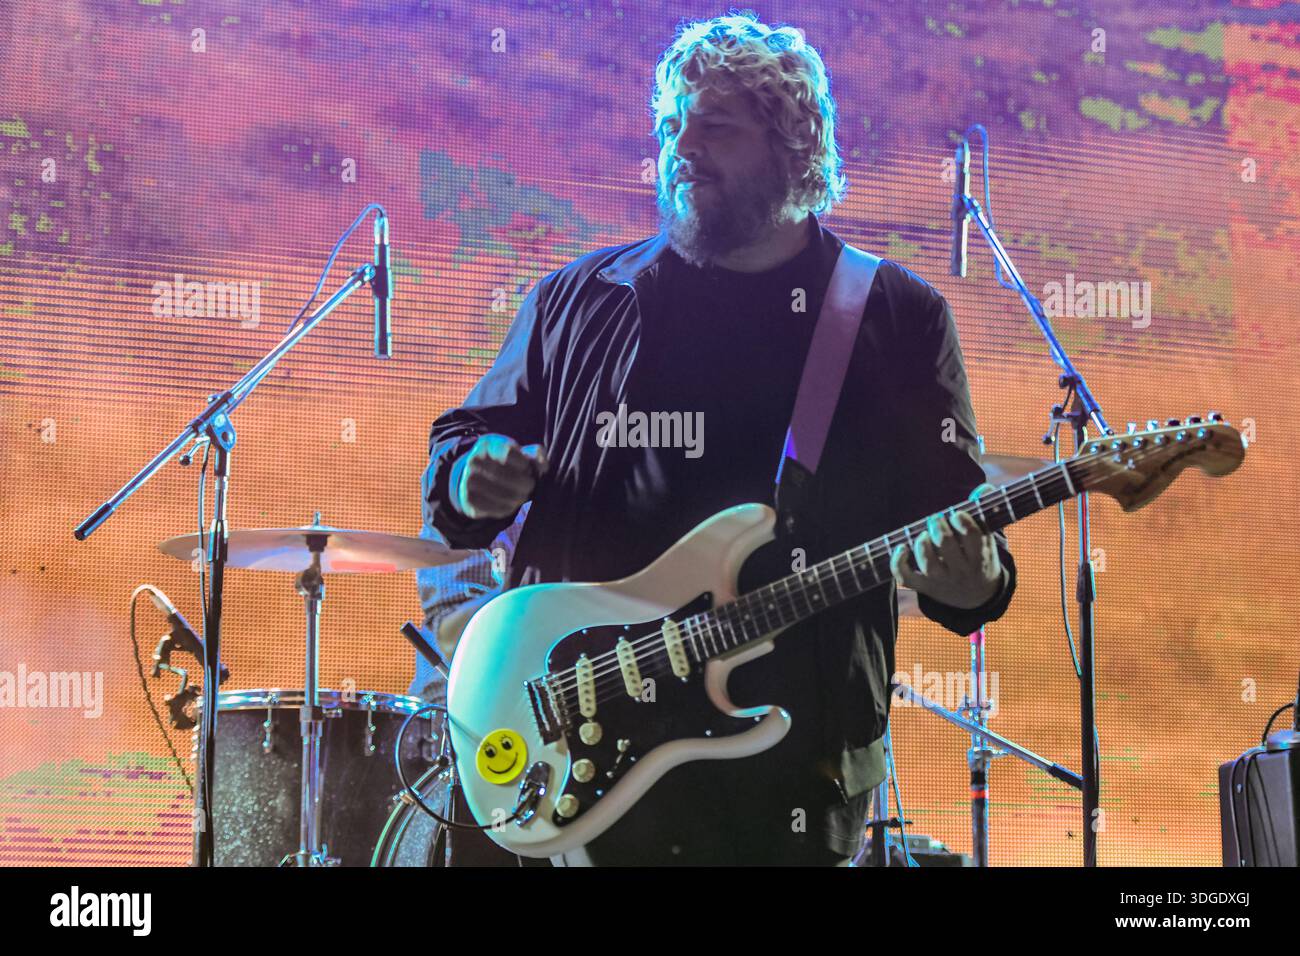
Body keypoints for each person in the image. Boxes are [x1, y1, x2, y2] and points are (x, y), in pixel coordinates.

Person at [421, 12, 1016, 865]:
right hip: (579, 747)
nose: (683, 146)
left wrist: (977, 575)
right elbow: (465, 441)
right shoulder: (578, 300)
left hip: (785, 783)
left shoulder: (891, 316)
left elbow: (958, 538)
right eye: (672, 125)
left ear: (791, 147)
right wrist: (469, 475)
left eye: (717, 125)